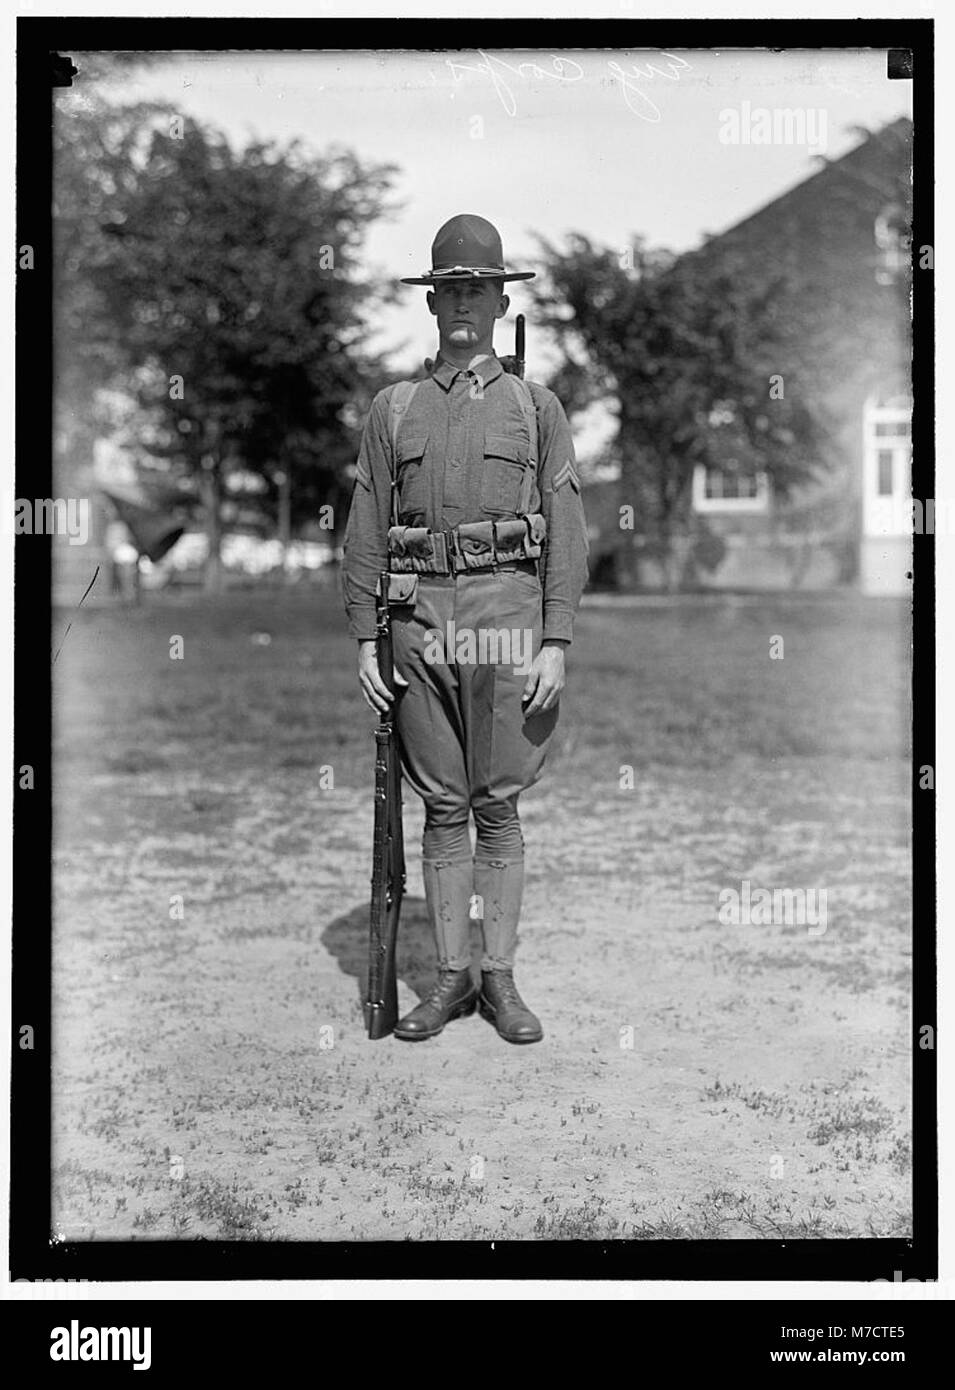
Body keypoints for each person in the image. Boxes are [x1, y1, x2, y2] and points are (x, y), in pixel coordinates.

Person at [342, 213, 589, 1043]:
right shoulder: (393, 408)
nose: (462, 304)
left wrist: (555, 639)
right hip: (418, 620)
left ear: (497, 299)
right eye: (448, 289)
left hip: (507, 617)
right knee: (442, 805)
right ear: (431, 302)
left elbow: (567, 526)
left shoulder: (535, 406)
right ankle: (449, 980)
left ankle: (501, 981)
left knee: (498, 805)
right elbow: (366, 523)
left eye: (476, 289)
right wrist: (365, 639)